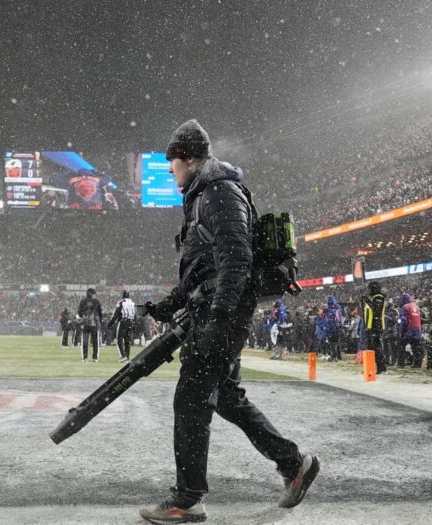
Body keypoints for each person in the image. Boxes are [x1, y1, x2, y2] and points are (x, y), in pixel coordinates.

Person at [140, 120, 317, 523]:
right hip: (216, 311)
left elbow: (236, 260)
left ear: (188, 158)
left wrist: (219, 317)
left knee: (191, 399)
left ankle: (187, 499)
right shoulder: (204, 194)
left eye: (172, 162)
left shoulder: (219, 191)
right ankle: (294, 464)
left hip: (223, 315)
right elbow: (202, 271)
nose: (169, 170)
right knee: (226, 397)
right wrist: (168, 305)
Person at [359, 281, 388, 374]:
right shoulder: (374, 298)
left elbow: (376, 311)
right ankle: (370, 367)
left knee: (376, 348)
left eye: (370, 289)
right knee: (370, 348)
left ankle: (381, 368)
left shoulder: (378, 298)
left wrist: (367, 301)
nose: (369, 291)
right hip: (370, 326)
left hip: (376, 326)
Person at [108, 291, 136, 363]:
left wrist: (110, 324)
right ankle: (127, 356)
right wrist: (134, 324)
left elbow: (116, 314)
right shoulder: (132, 303)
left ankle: (123, 356)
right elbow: (135, 315)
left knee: (119, 339)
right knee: (127, 340)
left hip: (123, 322)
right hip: (130, 322)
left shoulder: (121, 302)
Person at [397, 293, 424, 368]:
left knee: (401, 346)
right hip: (417, 330)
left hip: (409, 330)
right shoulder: (416, 307)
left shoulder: (405, 307)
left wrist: (402, 332)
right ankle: (417, 364)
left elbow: (404, 320)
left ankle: (401, 363)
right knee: (416, 348)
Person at [77, 288, 103, 362]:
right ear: (92, 294)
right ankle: (95, 358)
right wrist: (99, 321)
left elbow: (79, 313)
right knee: (95, 342)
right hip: (94, 323)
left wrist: (84, 314)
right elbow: (100, 313)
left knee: (84, 341)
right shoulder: (97, 301)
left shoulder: (83, 301)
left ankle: (84, 358)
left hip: (86, 323)